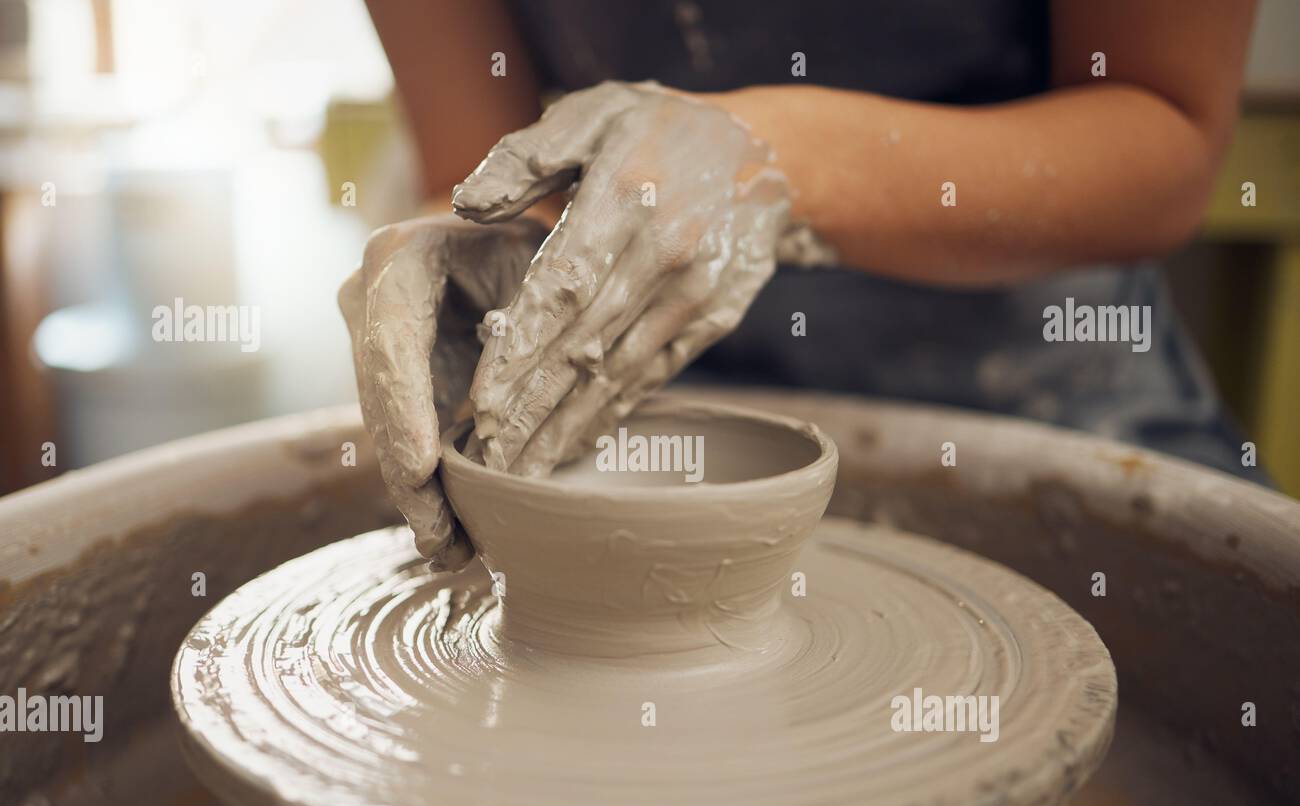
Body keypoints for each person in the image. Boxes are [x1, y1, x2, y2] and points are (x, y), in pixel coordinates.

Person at [345, 0, 1262, 568]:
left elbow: (1169, 131)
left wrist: (775, 162)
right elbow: (490, 155)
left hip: (1040, 382)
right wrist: (478, 247)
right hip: (647, 390)